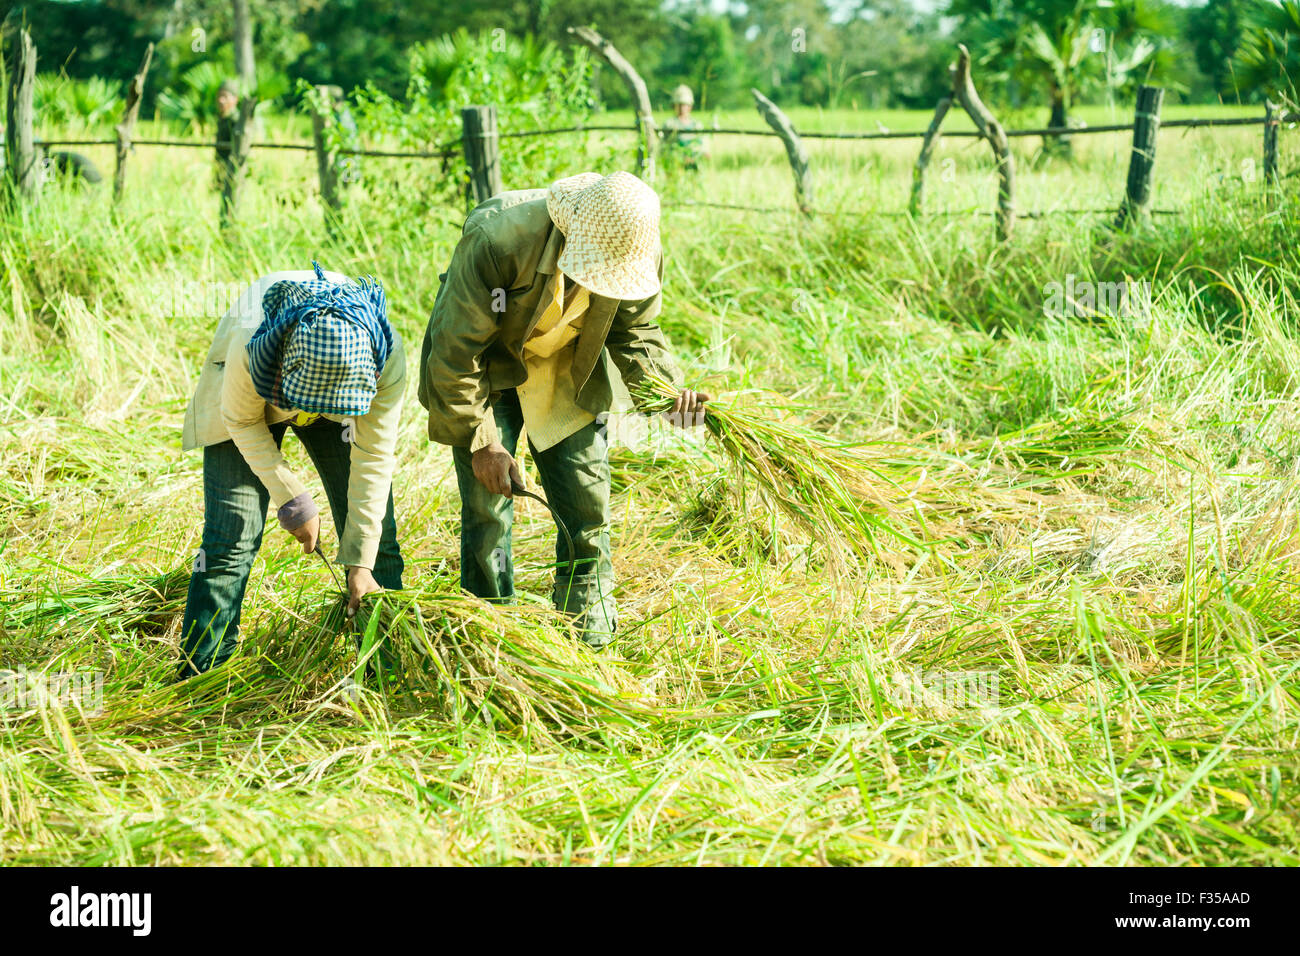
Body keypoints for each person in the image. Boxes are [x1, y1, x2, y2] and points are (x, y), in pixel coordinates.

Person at [418, 171, 709, 650]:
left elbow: (635, 333)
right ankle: (491, 638)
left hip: (564, 366)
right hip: (487, 365)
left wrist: (666, 395)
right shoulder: (499, 240)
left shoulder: (637, 248)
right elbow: (456, 353)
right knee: (487, 510)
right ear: (569, 231)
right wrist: (482, 442)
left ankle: (587, 642)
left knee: (586, 506)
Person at [177, 263, 406, 678]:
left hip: (339, 390)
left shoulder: (382, 356)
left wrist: (362, 563)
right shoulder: (253, 345)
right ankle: (202, 675)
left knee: (377, 543)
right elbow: (242, 422)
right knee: (231, 537)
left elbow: (373, 457)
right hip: (251, 405)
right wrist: (294, 501)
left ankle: (384, 673)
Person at [661, 84, 708, 171]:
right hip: (676, 164)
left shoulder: (697, 125)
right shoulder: (669, 124)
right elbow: (663, 147)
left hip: (695, 164)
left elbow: (703, 145)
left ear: (690, 107)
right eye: (679, 105)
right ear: (674, 105)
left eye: (684, 105)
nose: (682, 108)